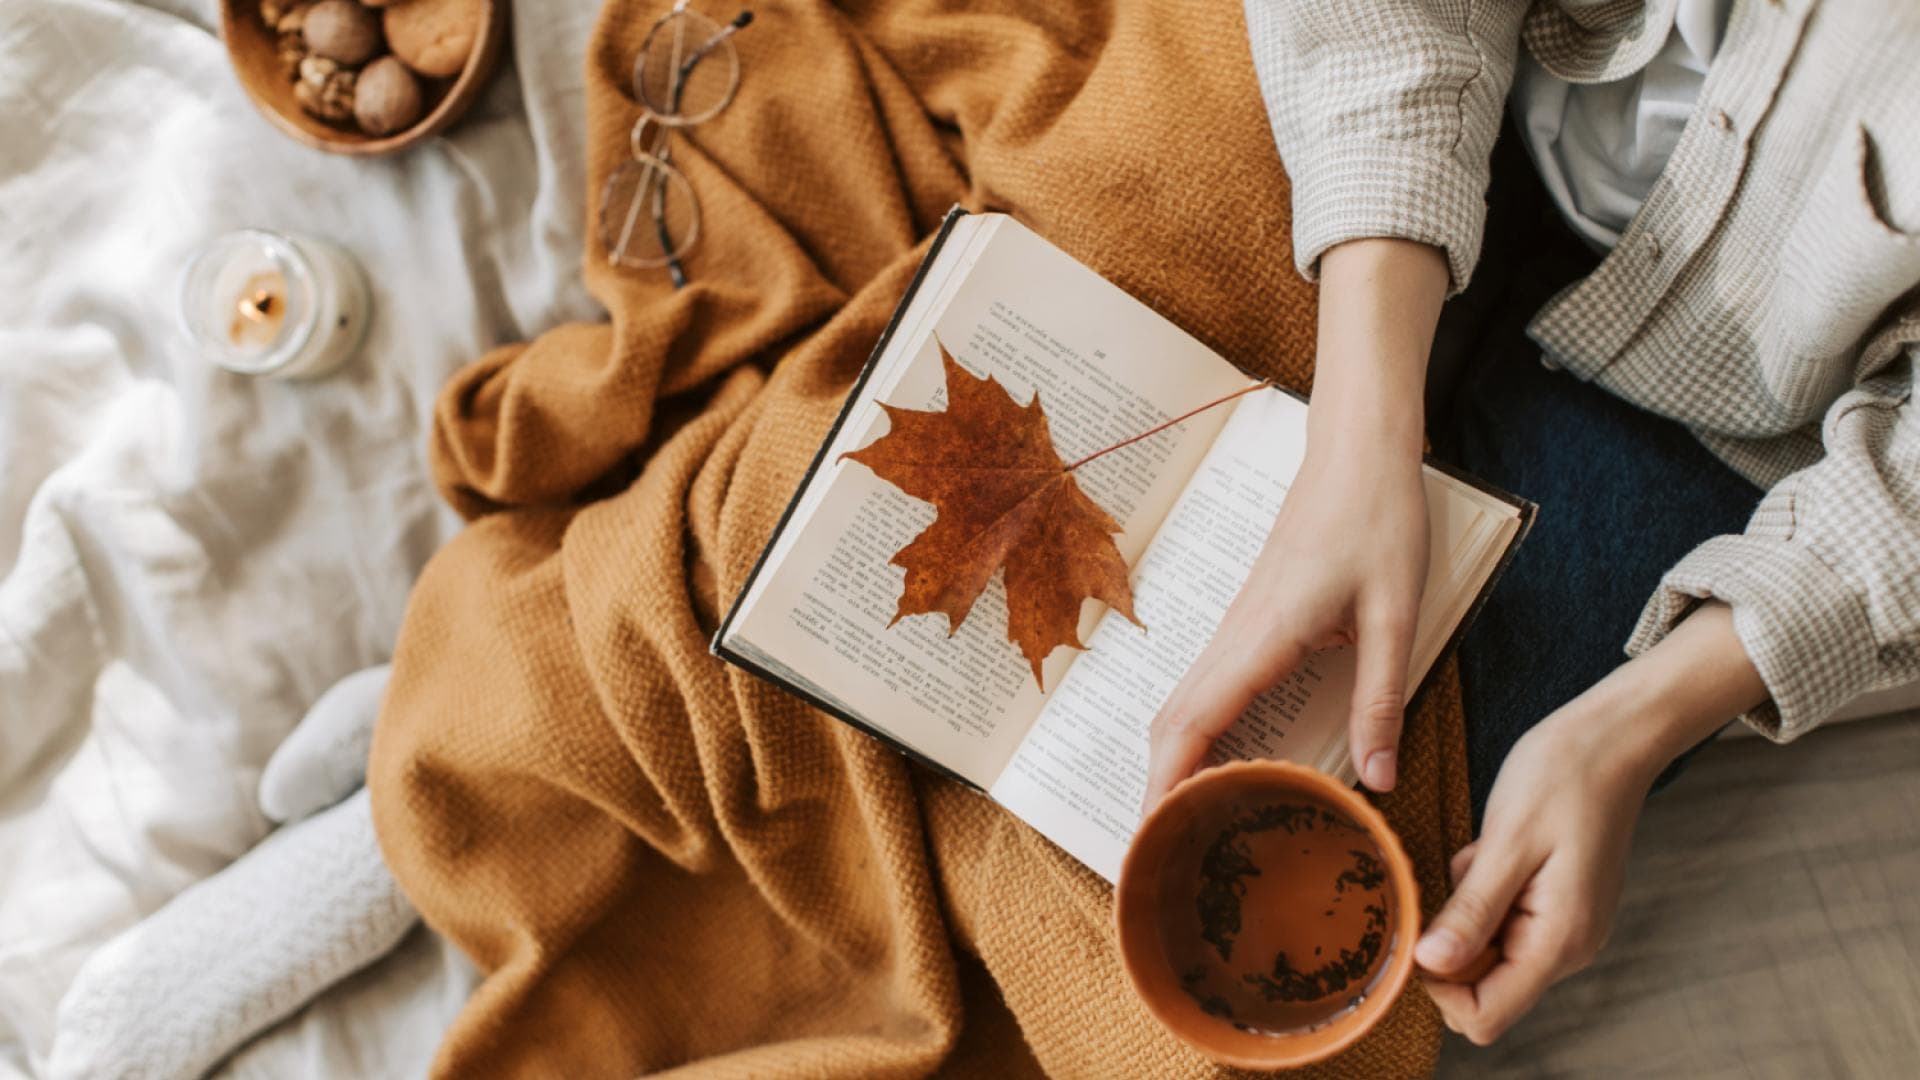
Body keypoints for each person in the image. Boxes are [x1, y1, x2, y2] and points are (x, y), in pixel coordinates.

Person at [1141, 0, 1920, 1045]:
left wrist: (1628, 730)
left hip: (1744, 404)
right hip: (1459, 104)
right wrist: (1356, 439)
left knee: (1431, 826)